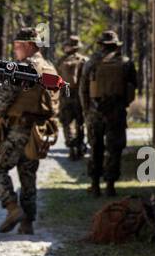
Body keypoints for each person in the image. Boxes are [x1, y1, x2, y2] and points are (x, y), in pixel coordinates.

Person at [0, 27, 61, 235]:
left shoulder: (22, 68)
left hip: (16, 129)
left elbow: (5, 96)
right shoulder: (49, 68)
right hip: (38, 132)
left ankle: (12, 208)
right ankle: (27, 223)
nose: (15, 50)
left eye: (18, 46)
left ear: (29, 45)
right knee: (28, 176)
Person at [80, 30, 139, 197]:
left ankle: (95, 184)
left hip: (95, 112)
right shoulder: (126, 63)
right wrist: (122, 103)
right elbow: (133, 86)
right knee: (115, 148)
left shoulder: (91, 63)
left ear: (100, 45)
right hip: (116, 112)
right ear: (115, 45)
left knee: (95, 147)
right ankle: (111, 185)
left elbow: (83, 89)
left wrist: (86, 110)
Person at [56, 34, 87, 161]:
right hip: (79, 95)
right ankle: (79, 145)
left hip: (65, 94)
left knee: (67, 122)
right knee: (80, 121)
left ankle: (71, 146)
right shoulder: (84, 60)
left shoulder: (62, 61)